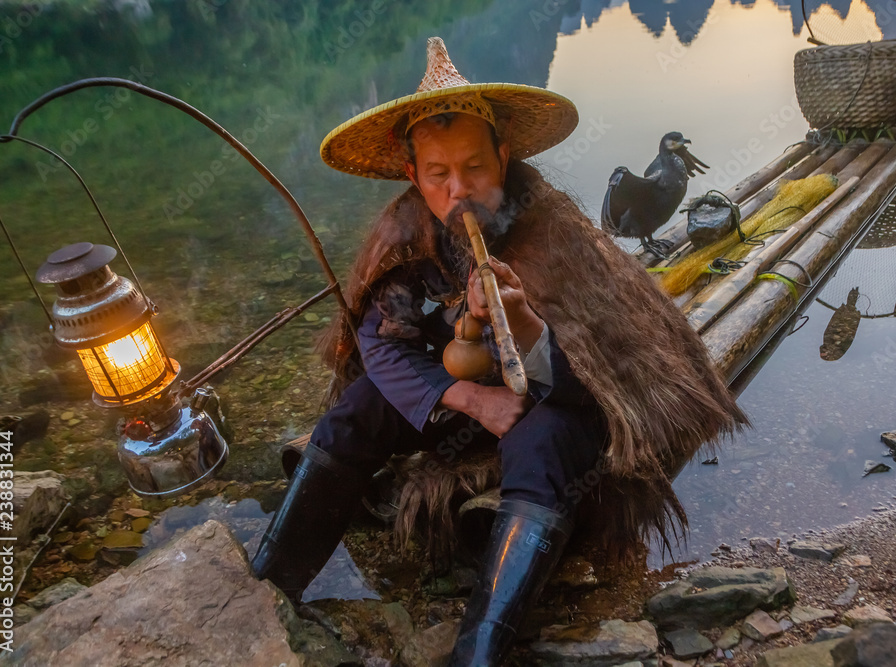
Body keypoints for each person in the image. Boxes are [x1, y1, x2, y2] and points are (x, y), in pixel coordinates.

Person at [252, 37, 746, 666]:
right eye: (438, 174)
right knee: (355, 410)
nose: (459, 189)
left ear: (504, 156)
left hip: (552, 405)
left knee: (539, 443)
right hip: (462, 405)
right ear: (414, 177)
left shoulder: (551, 227)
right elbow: (381, 344)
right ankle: (268, 584)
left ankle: (480, 648)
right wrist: (471, 397)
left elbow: (605, 377)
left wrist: (528, 328)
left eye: (476, 168)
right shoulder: (407, 234)